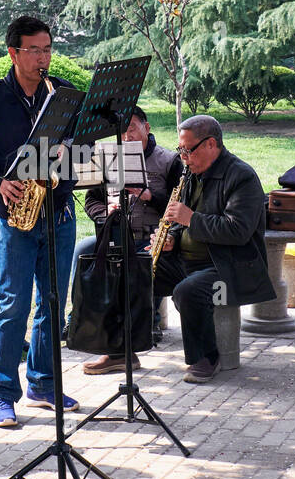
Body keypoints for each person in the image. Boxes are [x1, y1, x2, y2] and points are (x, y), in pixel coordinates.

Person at [0, 15, 80, 427]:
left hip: (59, 212)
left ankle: (42, 383)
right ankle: (3, 392)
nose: (44, 57)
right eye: (35, 50)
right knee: (14, 305)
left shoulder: (62, 93)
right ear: (13, 53)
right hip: (17, 217)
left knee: (53, 305)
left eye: (48, 48)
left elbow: (82, 143)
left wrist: (69, 153)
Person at [152, 115, 275, 383]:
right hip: (188, 261)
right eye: (180, 149)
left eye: (188, 149)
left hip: (229, 267)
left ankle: (206, 357)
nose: (183, 157)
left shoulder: (242, 176)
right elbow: (180, 221)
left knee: (189, 290)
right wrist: (171, 237)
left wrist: (190, 219)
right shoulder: (191, 174)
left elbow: (238, 231)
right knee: (136, 269)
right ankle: (127, 346)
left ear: (210, 144)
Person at [75, 106, 182, 373]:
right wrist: (106, 214)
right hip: (114, 236)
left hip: (151, 239)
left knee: (127, 271)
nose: (127, 135)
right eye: (122, 130)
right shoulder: (108, 159)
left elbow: (181, 203)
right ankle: (80, 324)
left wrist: (149, 197)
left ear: (146, 127)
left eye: (132, 127)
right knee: (83, 253)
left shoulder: (169, 161)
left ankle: (125, 348)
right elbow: (92, 202)